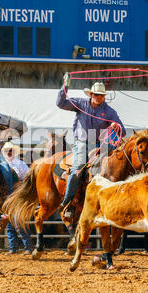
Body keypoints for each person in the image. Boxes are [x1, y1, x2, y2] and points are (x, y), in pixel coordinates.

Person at [56, 74, 126, 220]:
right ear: (91, 94)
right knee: (78, 168)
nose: (98, 97)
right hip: (81, 142)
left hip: (99, 145)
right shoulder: (81, 103)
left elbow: (122, 130)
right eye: (96, 95)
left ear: (103, 97)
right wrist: (65, 86)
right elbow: (61, 103)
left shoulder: (109, 112)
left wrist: (116, 126)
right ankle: (68, 203)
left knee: (111, 168)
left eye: (101, 95)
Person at [0, 142, 33, 255]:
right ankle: (13, 248)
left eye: (11, 151)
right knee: (10, 224)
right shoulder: (1, 164)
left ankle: (28, 247)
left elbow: (28, 179)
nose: (9, 153)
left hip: (17, 195)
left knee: (19, 222)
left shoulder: (20, 164)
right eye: (6, 151)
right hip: (7, 196)